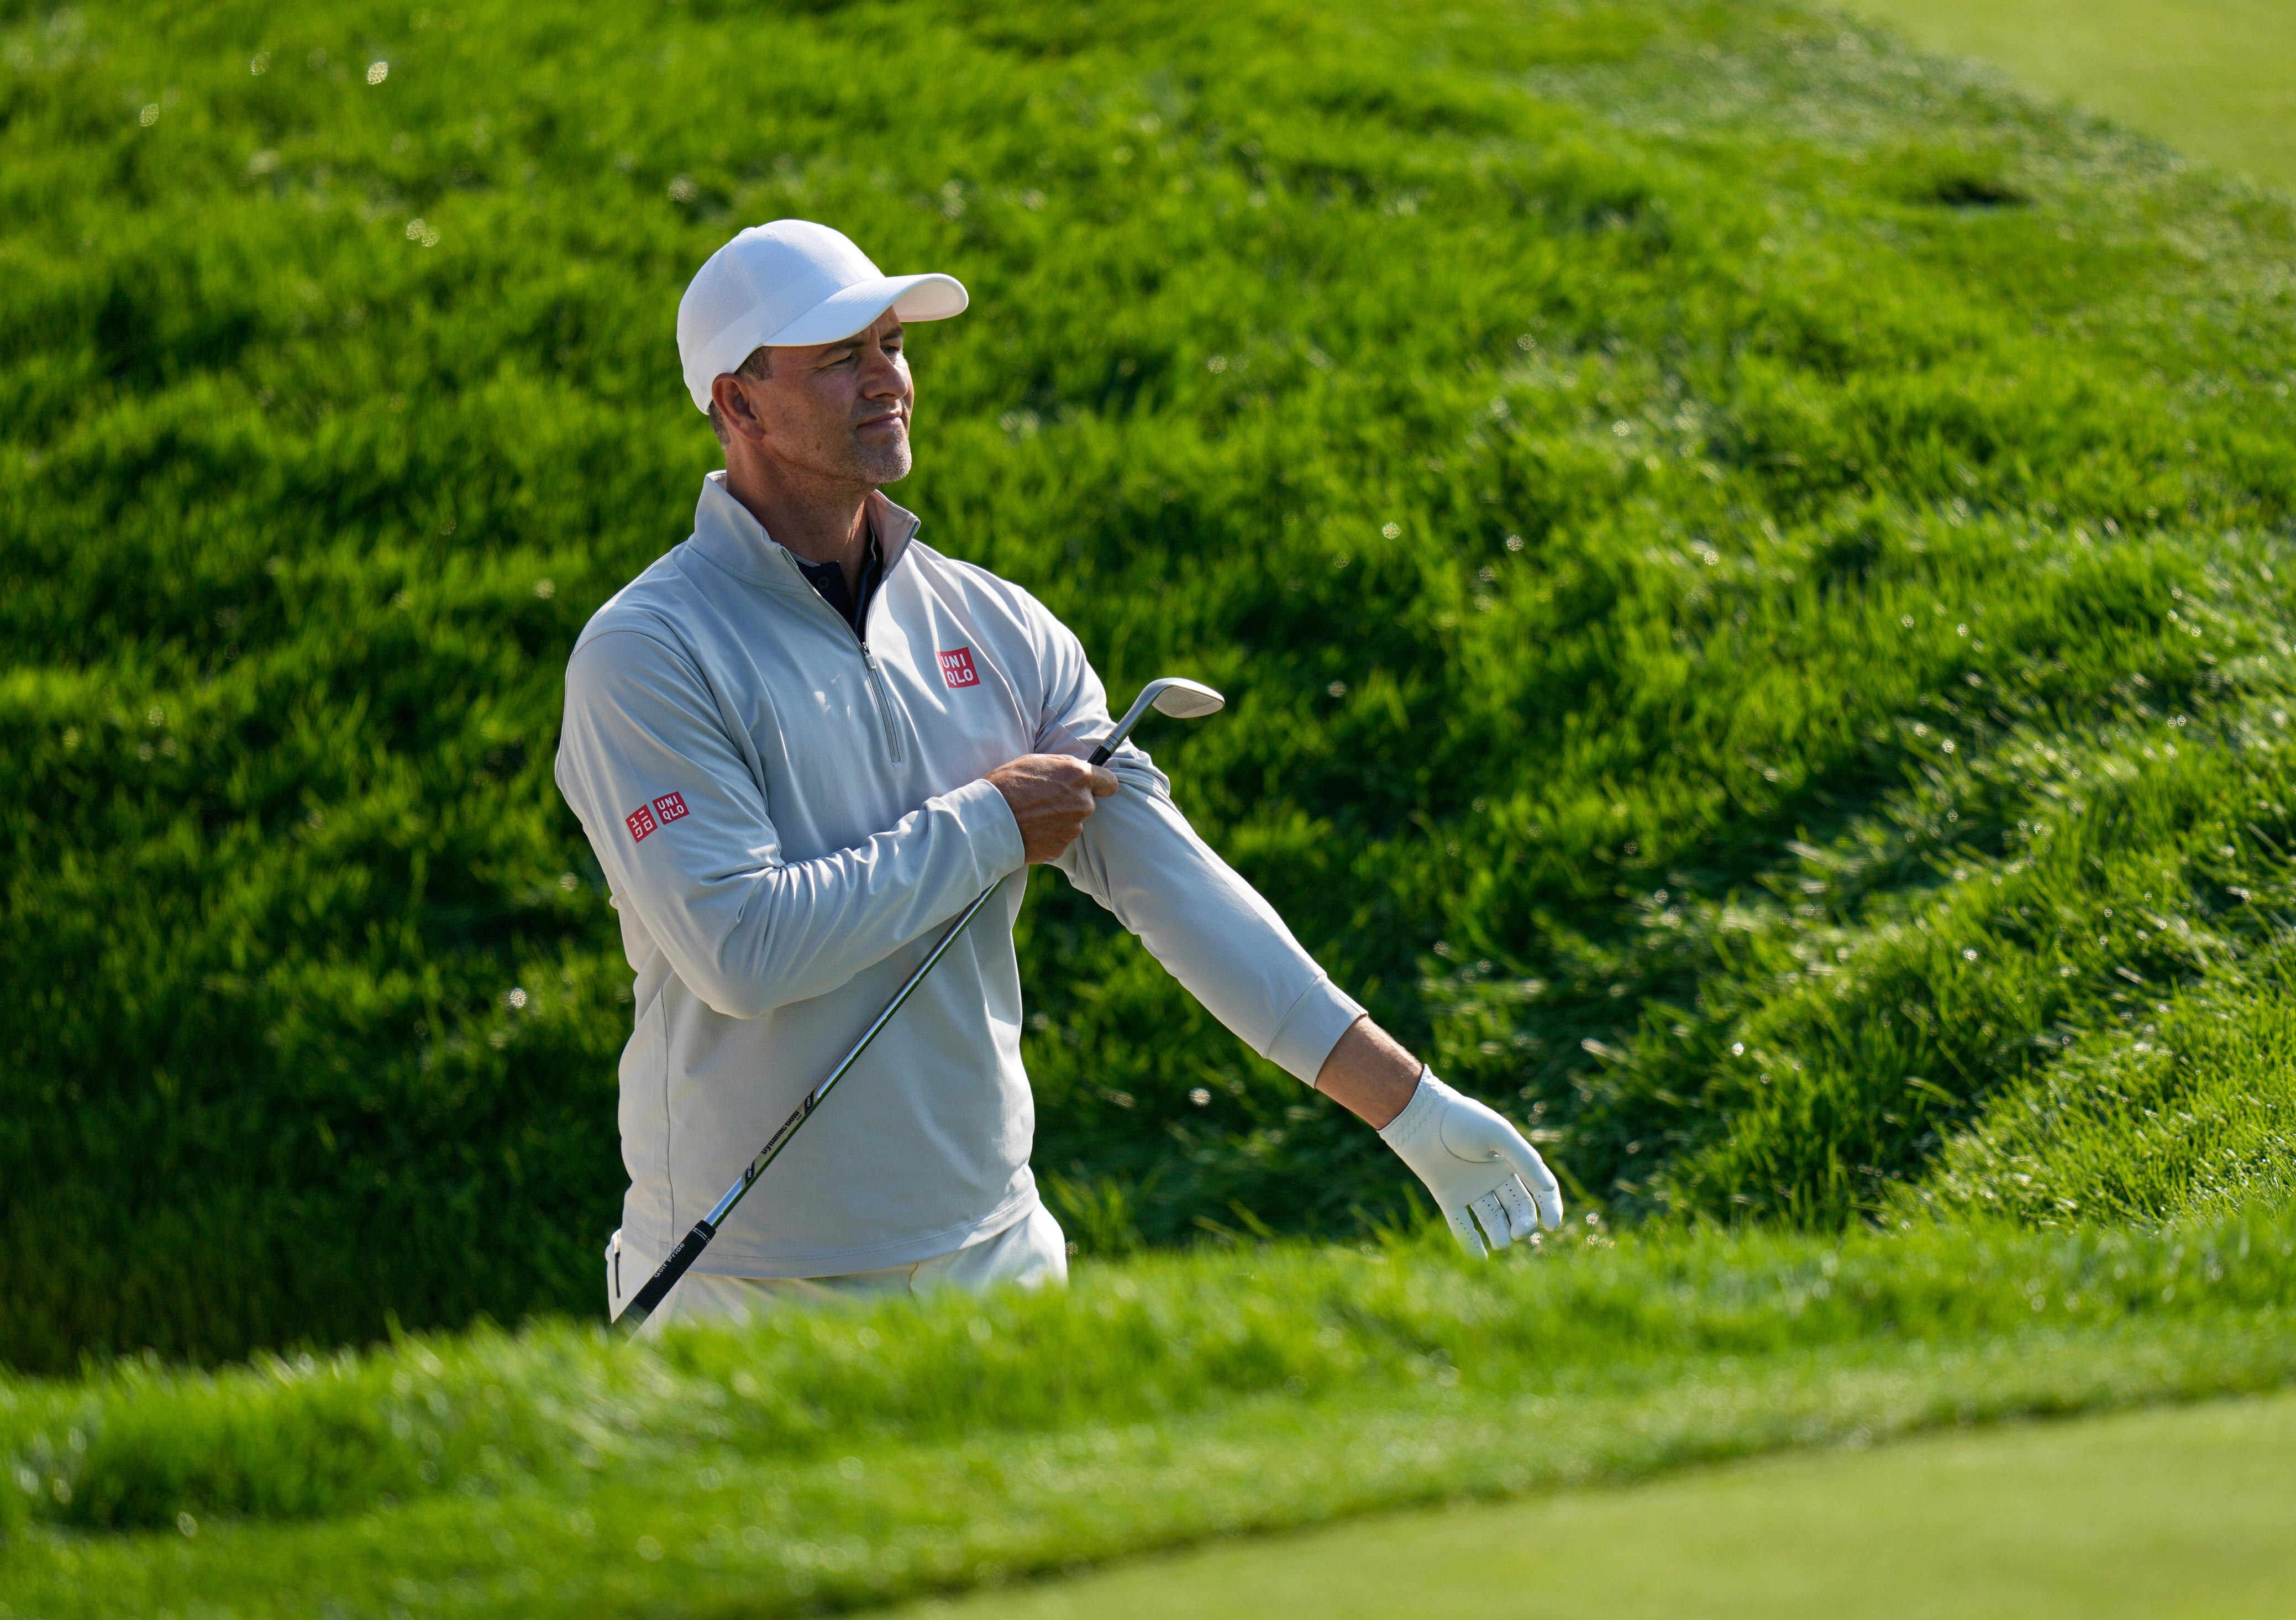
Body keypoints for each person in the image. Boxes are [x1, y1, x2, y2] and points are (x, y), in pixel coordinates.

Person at [556, 219, 1559, 1331]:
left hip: (995, 1253)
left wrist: (1407, 1107)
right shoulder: (649, 652)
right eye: (840, 357)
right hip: (748, 1283)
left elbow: (1173, 886)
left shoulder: (998, 625)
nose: (887, 380)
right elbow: (742, 950)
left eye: (893, 345)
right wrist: (990, 823)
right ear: (738, 405)